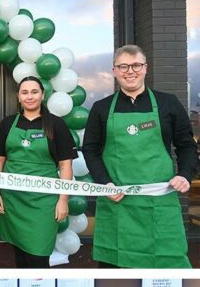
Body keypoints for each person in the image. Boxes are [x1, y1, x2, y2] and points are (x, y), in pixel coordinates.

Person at [83, 45, 196, 268]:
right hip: (118, 201)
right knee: (115, 270)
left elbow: (186, 145)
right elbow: (91, 150)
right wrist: (105, 183)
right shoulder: (101, 108)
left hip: (158, 202)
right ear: (114, 71)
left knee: (166, 262)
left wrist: (184, 174)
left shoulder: (168, 103)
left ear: (145, 68)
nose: (130, 71)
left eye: (136, 65)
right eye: (123, 66)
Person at [0, 76, 77, 267]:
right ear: (19, 97)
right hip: (13, 198)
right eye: (25, 92)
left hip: (44, 200)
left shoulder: (56, 125)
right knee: (20, 253)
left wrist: (63, 200)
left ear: (42, 95)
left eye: (34, 92)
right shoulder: (7, 124)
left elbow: (65, 165)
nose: (30, 96)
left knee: (39, 256)